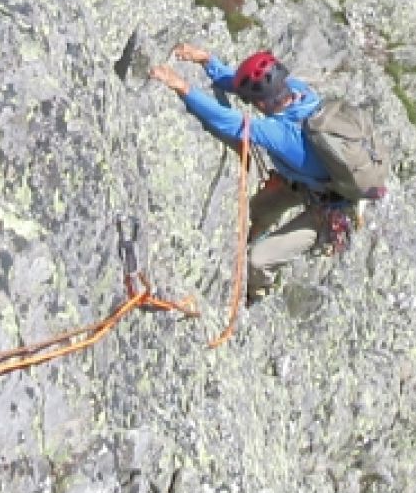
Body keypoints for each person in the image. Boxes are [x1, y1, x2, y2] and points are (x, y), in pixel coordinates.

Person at [148, 43, 349, 300]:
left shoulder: (279, 134)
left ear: (263, 104)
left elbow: (229, 123)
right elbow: (241, 86)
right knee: (259, 209)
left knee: (257, 260)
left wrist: (183, 87)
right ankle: (257, 231)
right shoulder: (297, 90)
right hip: (314, 181)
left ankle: (258, 292)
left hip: (333, 208)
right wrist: (207, 62)